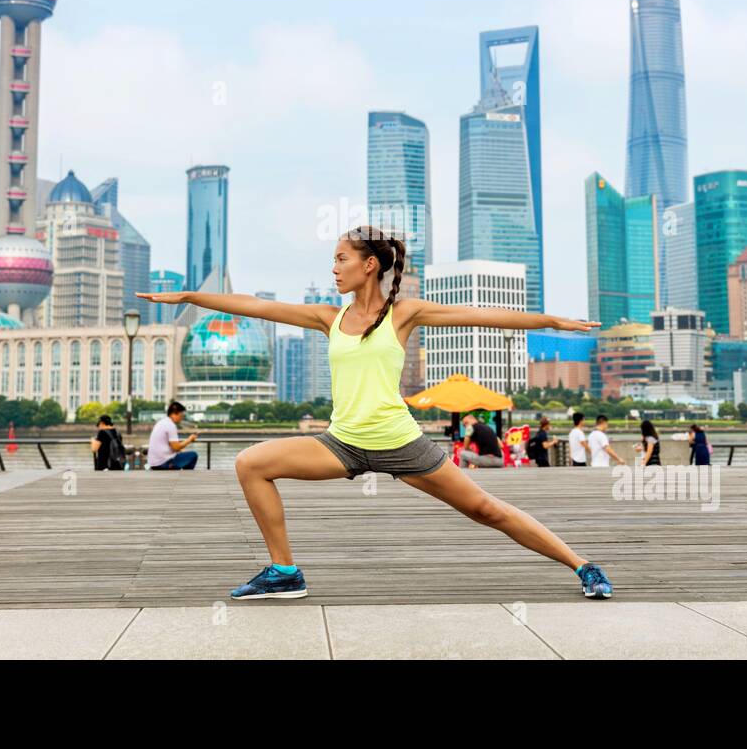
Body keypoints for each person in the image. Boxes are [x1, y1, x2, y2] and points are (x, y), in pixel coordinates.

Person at [138, 225, 614, 600]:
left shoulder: (403, 313)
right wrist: (189, 298)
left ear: (369, 265)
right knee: (251, 464)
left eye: (341, 259)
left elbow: (481, 313)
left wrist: (549, 320)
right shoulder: (328, 317)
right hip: (341, 444)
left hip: (401, 443)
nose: (334, 269)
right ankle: (284, 572)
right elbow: (256, 305)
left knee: (484, 509)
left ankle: (582, 565)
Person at [147, 401, 199, 470]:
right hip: (164, 463)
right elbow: (176, 447)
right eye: (181, 415)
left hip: (154, 464)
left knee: (183, 456)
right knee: (193, 455)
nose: (182, 418)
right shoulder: (170, 425)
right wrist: (190, 439)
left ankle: (179, 472)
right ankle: (186, 476)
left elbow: (172, 446)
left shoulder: (162, 422)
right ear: (175, 413)